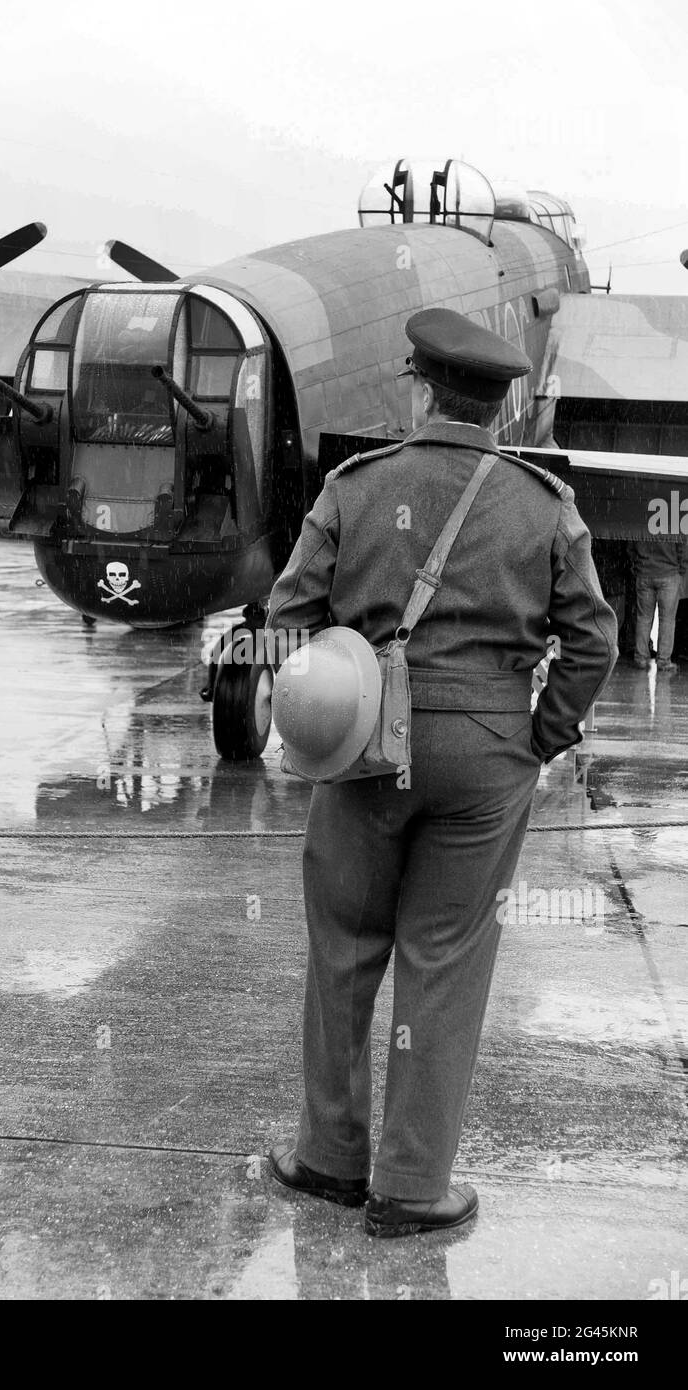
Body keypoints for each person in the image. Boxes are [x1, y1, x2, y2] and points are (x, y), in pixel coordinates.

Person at [265, 307, 618, 1238]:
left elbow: (288, 613)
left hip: (365, 748)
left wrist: (328, 708)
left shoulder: (355, 485)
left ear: (420, 385)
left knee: (343, 950)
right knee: (446, 963)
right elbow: (594, 638)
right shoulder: (544, 504)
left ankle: (329, 1161)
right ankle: (412, 1187)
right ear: (499, 409)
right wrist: (540, 735)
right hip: (489, 756)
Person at [629, 537, 687, 672]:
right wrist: (681, 569)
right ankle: (663, 661)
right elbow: (683, 548)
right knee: (667, 620)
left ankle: (640, 658)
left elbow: (630, 546)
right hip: (669, 573)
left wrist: (637, 565)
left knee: (643, 618)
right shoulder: (671, 519)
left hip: (644, 573)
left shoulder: (641, 520)